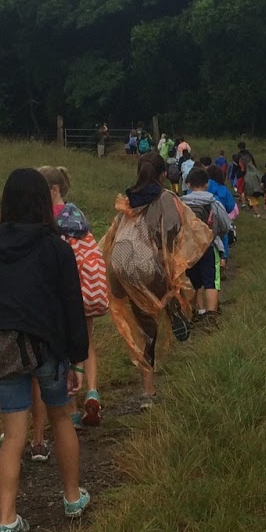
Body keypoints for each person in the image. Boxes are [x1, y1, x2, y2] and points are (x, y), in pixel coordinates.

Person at [0, 167, 90, 532]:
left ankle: (6, 518)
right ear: (44, 203)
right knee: (61, 418)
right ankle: (72, 498)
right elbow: (71, 308)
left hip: (2, 350)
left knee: (14, 434)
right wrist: (76, 360)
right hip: (47, 348)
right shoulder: (56, 248)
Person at [100, 155, 213, 407]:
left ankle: (148, 391)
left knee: (143, 329)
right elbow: (173, 231)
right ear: (163, 174)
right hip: (149, 266)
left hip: (121, 267)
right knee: (173, 281)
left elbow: (114, 233)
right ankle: (172, 304)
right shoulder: (166, 198)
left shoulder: (128, 199)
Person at [38, 165, 109, 427]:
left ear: (52, 190)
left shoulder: (46, 221)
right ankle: (92, 390)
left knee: (65, 350)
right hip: (86, 291)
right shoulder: (78, 219)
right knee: (87, 342)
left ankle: (74, 411)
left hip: (62, 295)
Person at [180, 166, 231, 318]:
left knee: (191, 281)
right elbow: (225, 225)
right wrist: (215, 236)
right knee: (211, 282)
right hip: (209, 246)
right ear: (206, 184)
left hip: (188, 248)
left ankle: (194, 313)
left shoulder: (181, 204)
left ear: (188, 184)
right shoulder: (213, 203)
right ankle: (211, 317)